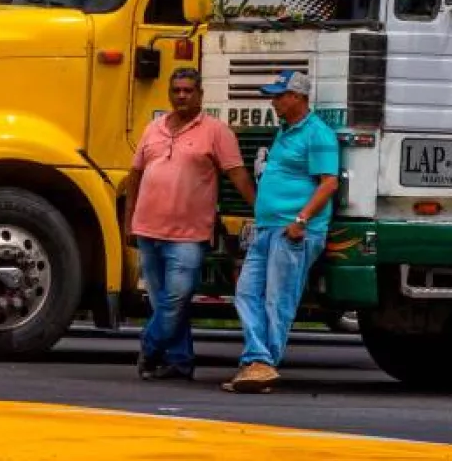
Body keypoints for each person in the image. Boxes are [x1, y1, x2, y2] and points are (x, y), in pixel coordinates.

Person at [126, 68, 255, 381]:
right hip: (147, 229)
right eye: (176, 90)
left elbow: (236, 174)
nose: (181, 96)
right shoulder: (153, 128)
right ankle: (180, 362)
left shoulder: (216, 131)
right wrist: (128, 222)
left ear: (200, 94)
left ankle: (150, 345)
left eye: (188, 90)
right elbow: (135, 176)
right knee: (162, 301)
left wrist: (260, 210)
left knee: (177, 298)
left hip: (189, 233)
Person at [222, 70, 339, 394]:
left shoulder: (318, 134)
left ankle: (261, 365)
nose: (273, 101)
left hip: (293, 233)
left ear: (298, 97)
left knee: (278, 299)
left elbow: (329, 183)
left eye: (279, 95)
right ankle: (258, 362)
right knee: (246, 292)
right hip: (267, 229)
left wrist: (301, 220)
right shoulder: (285, 131)